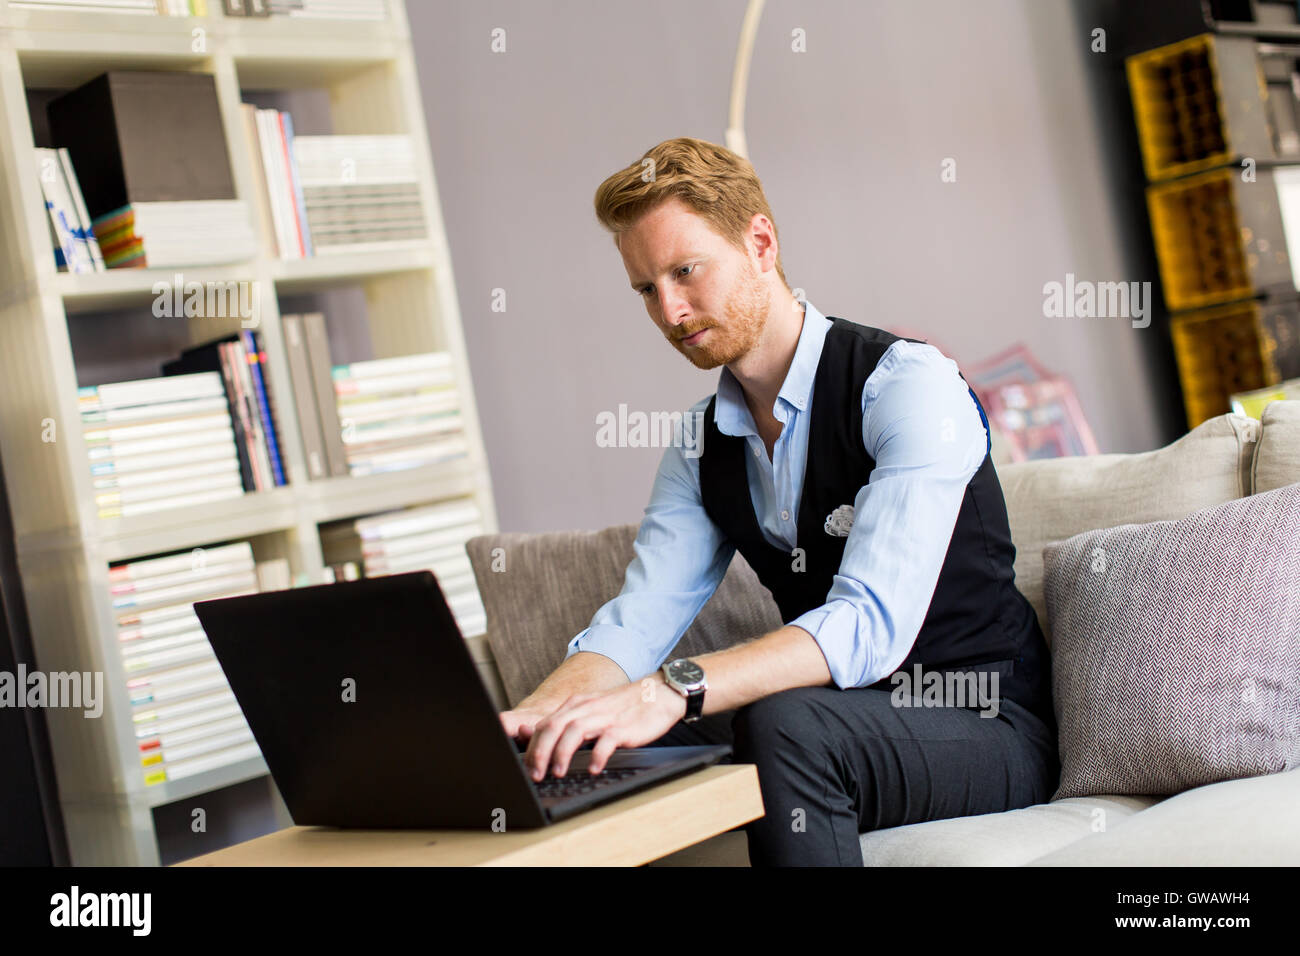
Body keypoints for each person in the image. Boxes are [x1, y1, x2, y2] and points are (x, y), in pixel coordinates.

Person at [498, 136, 1058, 866]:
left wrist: (675, 688)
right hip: (845, 717)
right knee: (586, 744)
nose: (669, 309)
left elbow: (869, 624)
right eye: (646, 288)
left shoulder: (908, 387)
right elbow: (639, 621)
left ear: (760, 242)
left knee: (782, 724)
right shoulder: (700, 443)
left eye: (685, 271)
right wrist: (544, 715)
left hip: (981, 719)